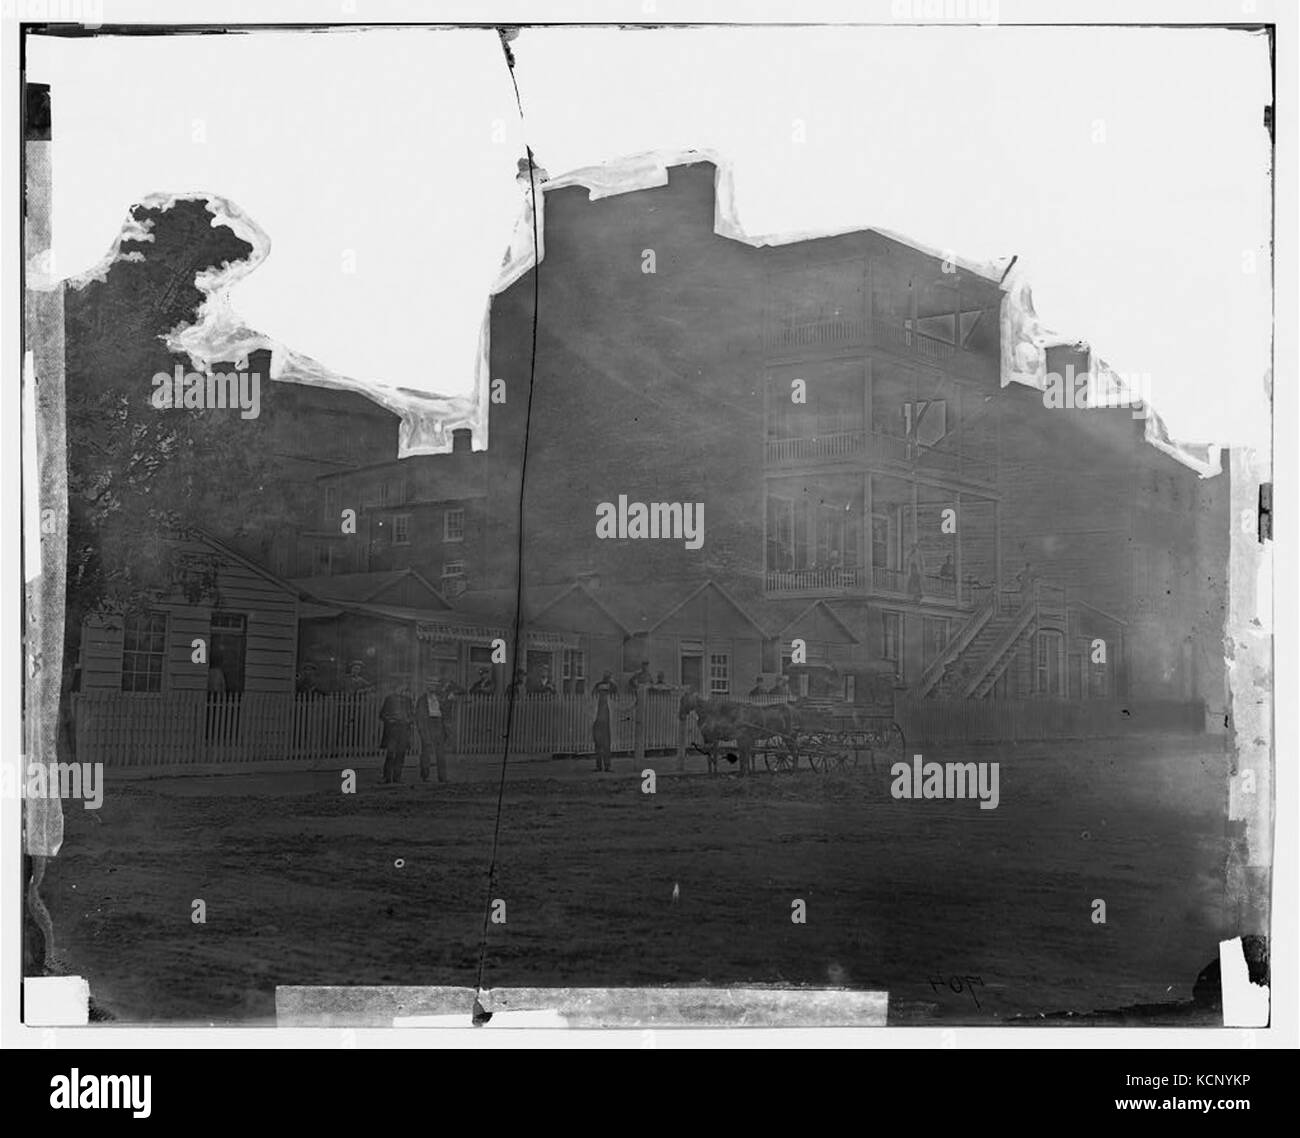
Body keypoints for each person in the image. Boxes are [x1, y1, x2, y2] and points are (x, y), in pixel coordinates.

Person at [413, 676, 448, 783]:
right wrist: (422, 730)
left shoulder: (440, 698)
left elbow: (446, 712)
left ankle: (442, 777)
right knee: (426, 752)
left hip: (438, 725)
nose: (432, 687)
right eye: (430, 685)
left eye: (434, 685)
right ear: (427, 686)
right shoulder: (422, 700)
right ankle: (425, 776)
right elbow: (419, 716)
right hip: (427, 725)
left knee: (441, 753)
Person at [378, 683, 414, 784]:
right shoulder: (389, 699)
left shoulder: (408, 700)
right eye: (400, 687)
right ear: (396, 688)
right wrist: (390, 720)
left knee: (401, 753)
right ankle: (387, 777)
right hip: (392, 730)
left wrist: (409, 720)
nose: (402, 689)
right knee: (391, 753)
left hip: (404, 730)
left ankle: (397, 777)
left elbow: (412, 714)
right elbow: (382, 714)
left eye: (404, 687)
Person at [591, 671, 619, 772]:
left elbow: (616, 693)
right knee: (599, 743)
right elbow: (592, 695)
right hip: (598, 719)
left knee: (605, 744)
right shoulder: (599, 686)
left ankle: (606, 765)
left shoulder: (610, 687)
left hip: (605, 720)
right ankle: (600, 766)